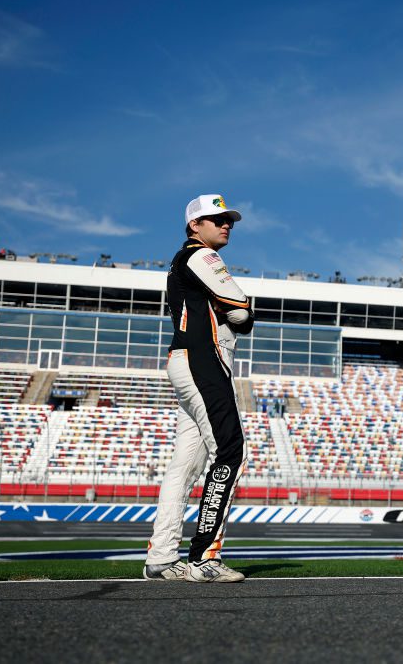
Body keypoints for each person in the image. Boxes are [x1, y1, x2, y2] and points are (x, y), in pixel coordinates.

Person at [144, 194, 253, 582]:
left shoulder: (182, 260)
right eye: (217, 219)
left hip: (186, 360)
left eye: (229, 221)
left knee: (185, 465)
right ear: (195, 225)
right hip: (202, 361)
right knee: (230, 450)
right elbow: (241, 308)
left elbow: (235, 312)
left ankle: (161, 555)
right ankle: (205, 556)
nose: (226, 225)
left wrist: (231, 309)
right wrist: (237, 308)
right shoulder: (201, 256)